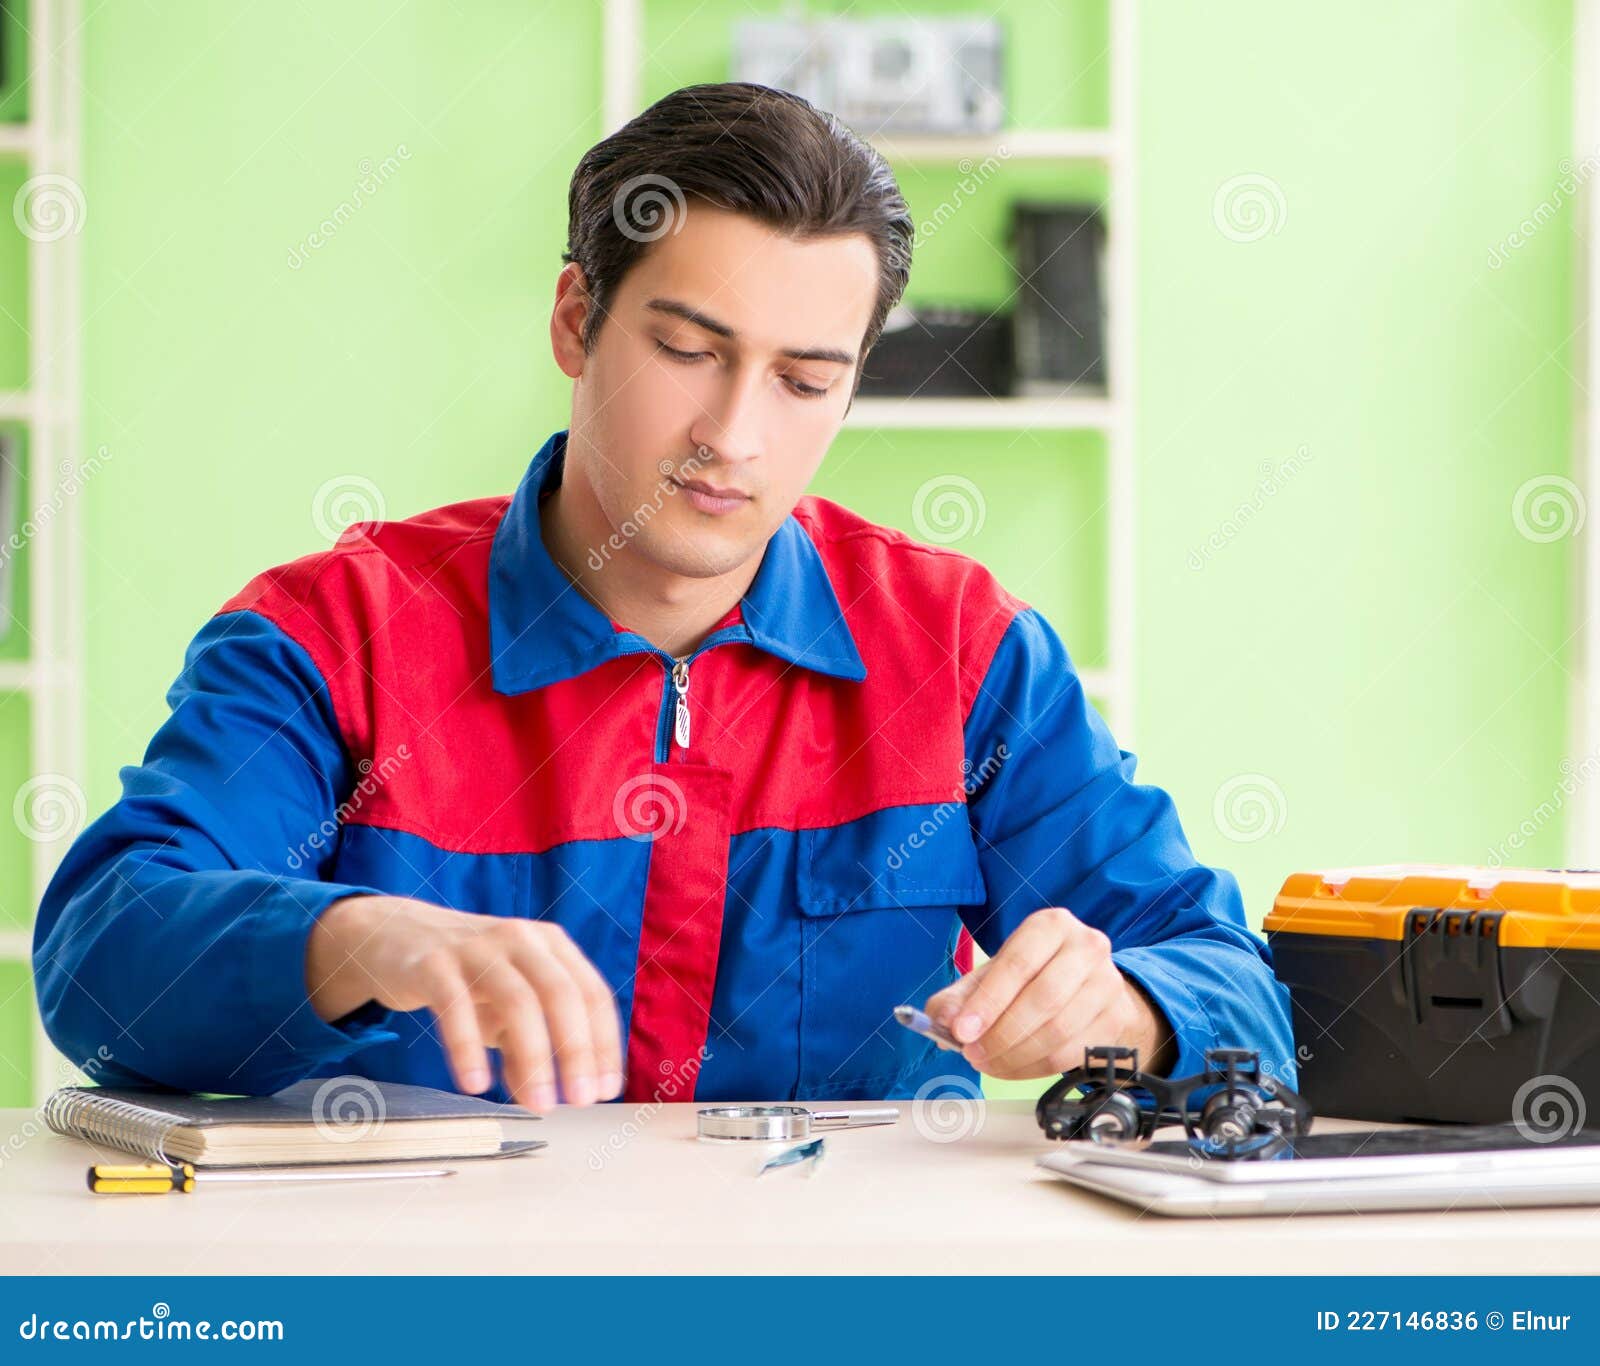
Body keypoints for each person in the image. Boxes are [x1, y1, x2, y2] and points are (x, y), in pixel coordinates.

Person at [33, 82, 1294, 1110]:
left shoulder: (961, 654)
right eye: (689, 352)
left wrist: (1123, 1008)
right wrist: (364, 938)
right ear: (578, 319)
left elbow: (1233, 981)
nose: (734, 435)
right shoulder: (332, 634)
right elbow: (104, 967)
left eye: (805, 381)